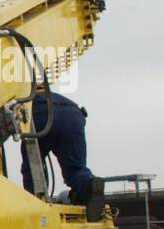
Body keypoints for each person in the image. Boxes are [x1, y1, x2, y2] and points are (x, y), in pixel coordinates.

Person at [20, 90, 104, 221]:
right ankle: (89, 184)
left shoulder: (17, 94)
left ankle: (36, 201)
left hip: (40, 113)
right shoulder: (45, 93)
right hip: (74, 115)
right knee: (75, 169)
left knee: (33, 166)